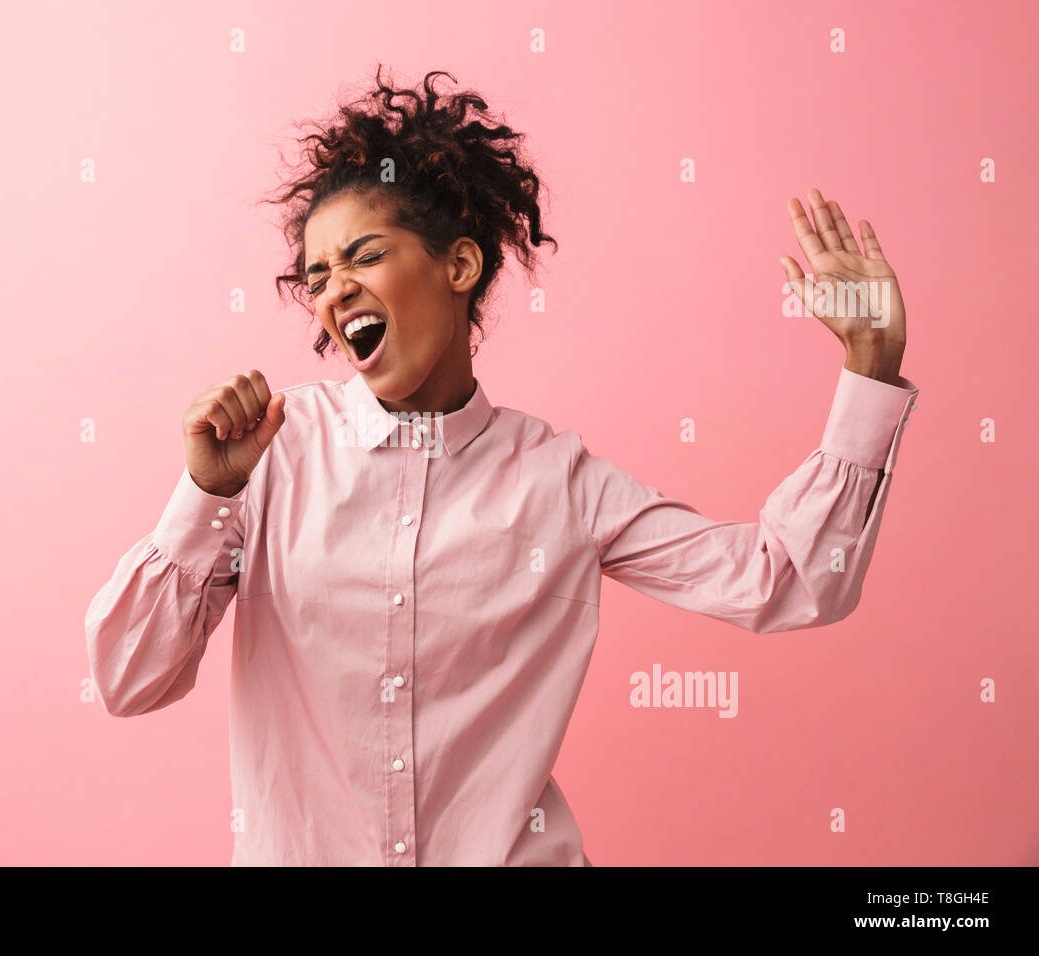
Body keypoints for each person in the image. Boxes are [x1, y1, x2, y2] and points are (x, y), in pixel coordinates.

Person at [84, 66, 919, 866]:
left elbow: (791, 579)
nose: (335, 291)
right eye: (318, 275)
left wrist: (870, 368)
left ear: (459, 266)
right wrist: (208, 493)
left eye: (365, 257)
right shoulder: (271, 453)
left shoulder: (560, 482)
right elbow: (128, 679)